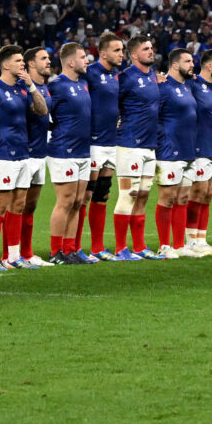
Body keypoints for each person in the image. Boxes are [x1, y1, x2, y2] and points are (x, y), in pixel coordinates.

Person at [0, 45, 46, 270]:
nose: (23, 64)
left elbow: (42, 110)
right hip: (3, 155)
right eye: (18, 61)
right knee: (0, 205)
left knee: (18, 205)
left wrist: (31, 86)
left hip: (24, 155)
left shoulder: (22, 89)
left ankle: (14, 257)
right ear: (6, 65)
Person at [112, 36, 162, 261]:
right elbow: (111, 102)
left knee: (142, 196)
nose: (151, 51)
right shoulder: (125, 77)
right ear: (133, 55)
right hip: (129, 144)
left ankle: (139, 247)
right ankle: (121, 248)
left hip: (150, 145)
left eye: (151, 48)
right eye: (145, 49)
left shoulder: (153, 76)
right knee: (128, 195)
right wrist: (115, 120)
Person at [44, 42, 94, 264]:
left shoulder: (83, 83)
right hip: (63, 150)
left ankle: (70, 249)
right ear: (71, 62)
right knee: (65, 201)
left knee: (77, 202)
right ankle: (56, 252)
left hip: (83, 151)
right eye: (83, 57)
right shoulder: (57, 85)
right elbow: (44, 112)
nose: (87, 61)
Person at [153, 48, 199, 258]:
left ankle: (179, 245)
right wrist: (163, 141)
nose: (192, 65)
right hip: (169, 151)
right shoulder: (163, 88)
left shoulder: (187, 86)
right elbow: (154, 117)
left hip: (188, 150)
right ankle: (164, 246)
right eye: (188, 61)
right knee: (168, 198)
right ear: (174, 65)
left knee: (183, 198)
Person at [83, 33, 124, 260]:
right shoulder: (90, 73)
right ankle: (73, 248)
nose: (121, 54)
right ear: (103, 53)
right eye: (116, 50)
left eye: (122, 50)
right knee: (85, 195)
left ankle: (97, 248)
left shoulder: (116, 75)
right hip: (93, 142)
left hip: (111, 141)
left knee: (103, 194)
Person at [187, 49, 212, 255]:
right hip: (199, 147)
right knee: (198, 193)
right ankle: (190, 240)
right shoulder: (193, 84)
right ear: (209, 66)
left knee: (209, 195)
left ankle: (201, 240)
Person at [18, 47, 55, 268]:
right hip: (23, 154)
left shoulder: (45, 88)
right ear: (31, 64)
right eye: (44, 58)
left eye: (48, 58)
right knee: (16, 206)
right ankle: (11, 254)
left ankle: (27, 252)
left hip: (41, 153)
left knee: (30, 206)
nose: (49, 61)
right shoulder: (22, 87)